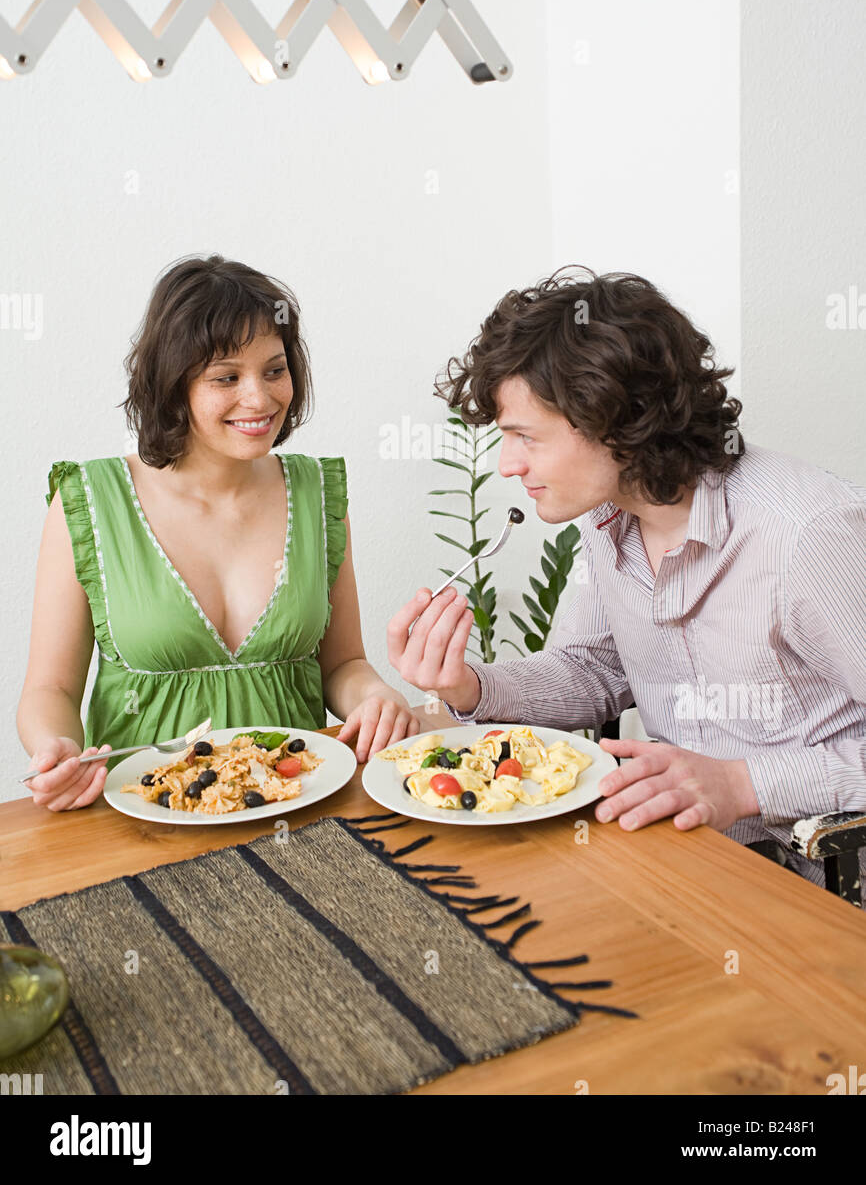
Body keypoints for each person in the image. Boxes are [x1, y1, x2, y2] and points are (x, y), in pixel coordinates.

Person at [387, 267, 866, 892]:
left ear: (611, 417)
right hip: (684, 860)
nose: (508, 465)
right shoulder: (610, 517)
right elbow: (594, 671)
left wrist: (743, 782)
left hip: (824, 888)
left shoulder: (809, 533)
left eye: (523, 437)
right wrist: (470, 686)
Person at [18, 252, 420, 811]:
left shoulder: (317, 493)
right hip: (145, 820)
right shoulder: (88, 501)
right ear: (173, 384)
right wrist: (55, 746)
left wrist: (374, 696)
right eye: (226, 377)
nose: (259, 399)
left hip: (298, 809)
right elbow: (50, 691)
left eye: (274, 370)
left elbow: (343, 664)